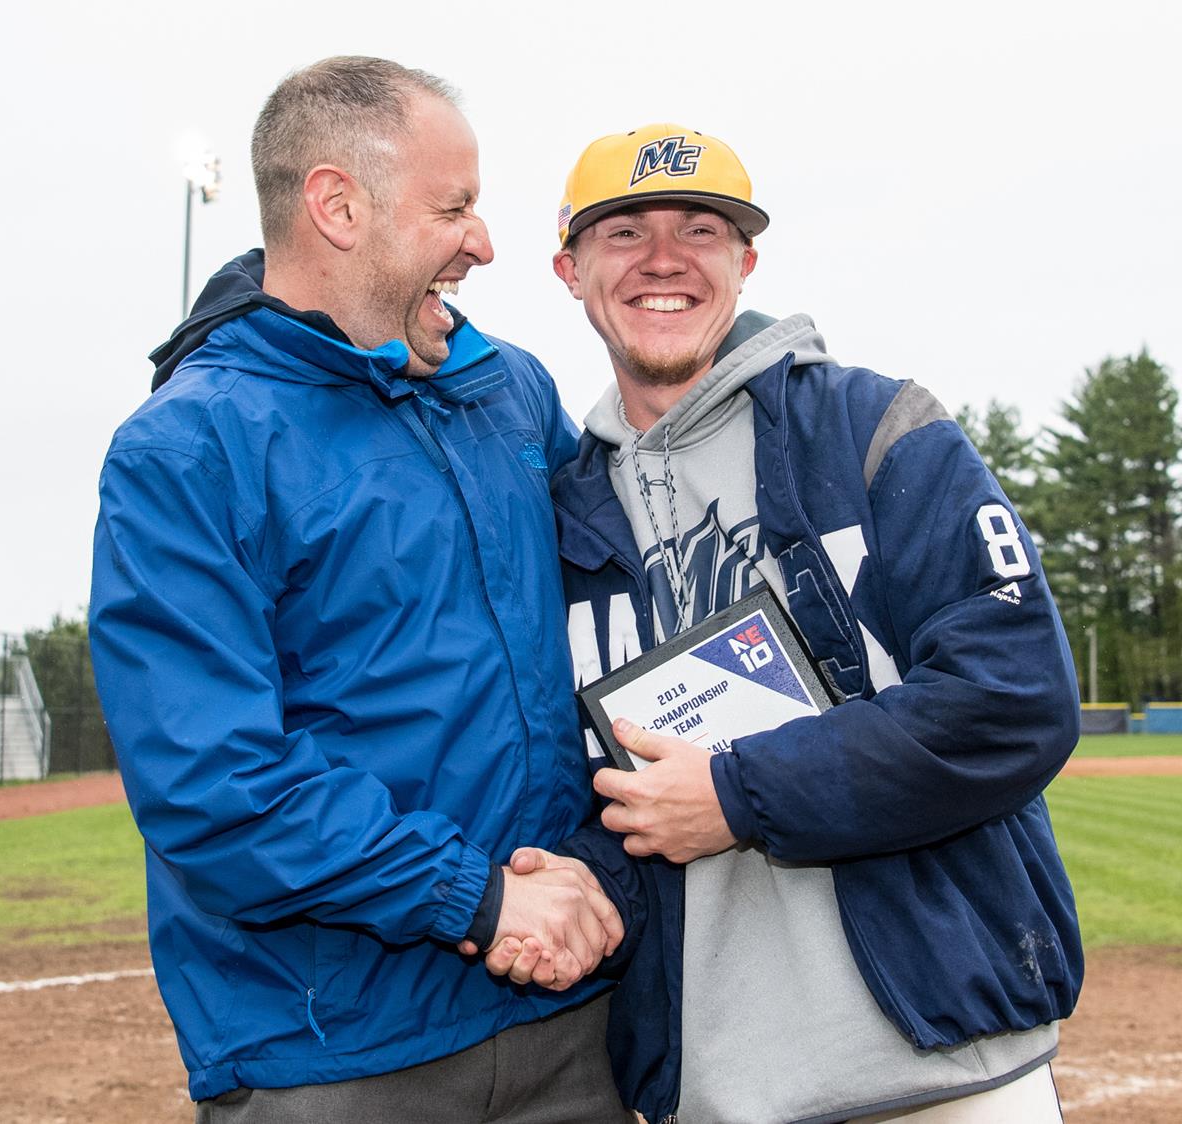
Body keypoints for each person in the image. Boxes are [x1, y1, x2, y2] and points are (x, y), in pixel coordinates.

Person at [90, 56, 627, 1121]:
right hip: (332, 1057)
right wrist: (477, 897)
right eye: (455, 208)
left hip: (567, 1020)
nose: (483, 242)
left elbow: (618, 614)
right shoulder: (189, 446)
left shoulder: (508, 389)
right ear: (336, 206)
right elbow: (217, 782)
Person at [531, 124, 1084, 1124]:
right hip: (708, 1091)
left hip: (945, 1069)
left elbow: (1011, 701)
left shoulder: (873, 430)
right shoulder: (561, 516)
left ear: (745, 261)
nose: (663, 258)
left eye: (699, 228)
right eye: (623, 234)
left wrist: (741, 794)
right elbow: (601, 781)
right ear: (569, 270)